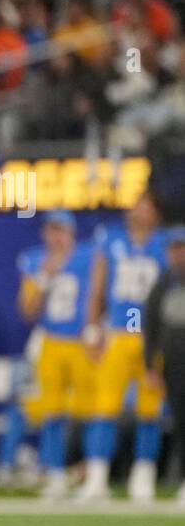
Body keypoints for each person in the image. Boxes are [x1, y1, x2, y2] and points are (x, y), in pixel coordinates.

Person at [78, 191, 167, 502]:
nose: (140, 213)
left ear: (156, 213)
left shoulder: (166, 244)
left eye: (147, 207)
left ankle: (143, 477)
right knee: (104, 408)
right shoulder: (111, 241)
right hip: (118, 333)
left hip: (151, 337)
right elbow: (96, 288)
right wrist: (92, 330)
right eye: (137, 206)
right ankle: (97, 477)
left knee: (150, 411)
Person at [16, 210, 95, 500]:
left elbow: (102, 294)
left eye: (61, 230)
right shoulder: (36, 261)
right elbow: (26, 311)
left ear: (72, 233)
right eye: (51, 230)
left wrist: (98, 330)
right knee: (51, 412)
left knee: (91, 411)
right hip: (50, 341)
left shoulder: (90, 257)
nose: (56, 237)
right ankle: (55, 473)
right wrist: (44, 277)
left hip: (83, 342)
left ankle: (93, 474)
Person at [143, 225, 185, 506]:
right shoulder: (163, 282)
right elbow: (150, 327)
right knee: (180, 422)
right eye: (174, 248)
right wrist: (150, 366)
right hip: (173, 363)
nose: (179, 254)